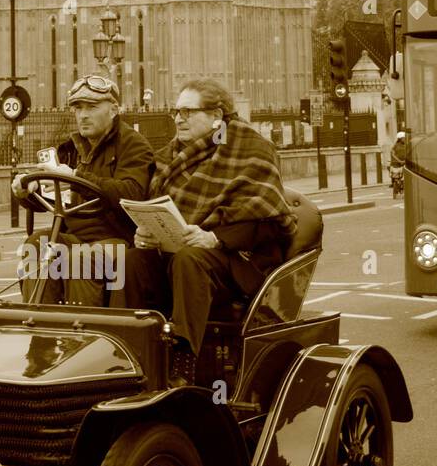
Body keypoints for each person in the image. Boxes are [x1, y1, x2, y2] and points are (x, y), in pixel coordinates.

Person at [111, 79, 298, 386]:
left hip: (237, 259)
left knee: (191, 258)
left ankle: (183, 358)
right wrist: (146, 233)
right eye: (176, 111)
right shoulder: (170, 155)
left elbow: (267, 218)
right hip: (179, 255)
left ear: (217, 116)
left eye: (187, 111)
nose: (178, 118)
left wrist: (216, 238)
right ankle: (126, 354)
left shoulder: (251, 146)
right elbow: (160, 207)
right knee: (132, 261)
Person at [12, 75, 154, 306]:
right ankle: (39, 325)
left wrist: (78, 178)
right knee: (37, 245)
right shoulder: (71, 148)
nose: (83, 115)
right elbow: (53, 193)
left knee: (81, 260)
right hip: (74, 237)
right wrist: (27, 191)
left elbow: (132, 192)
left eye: (92, 107)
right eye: (78, 108)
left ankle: (82, 334)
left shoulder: (132, 144)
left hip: (119, 239)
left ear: (114, 109)